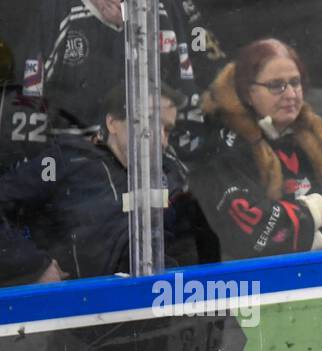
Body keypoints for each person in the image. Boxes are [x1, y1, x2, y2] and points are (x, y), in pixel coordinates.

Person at [196, 38, 322, 260]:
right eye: (276, 86)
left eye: (295, 83)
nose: (291, 95)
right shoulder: (225, 148)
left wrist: (315, 239)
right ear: (247, 92)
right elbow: (255, 237)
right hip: (257, 287)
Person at [0, 83, 197, 279]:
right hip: (83, 303)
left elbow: (192, 244)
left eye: (167, 129)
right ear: (112, 123)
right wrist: (35, 267)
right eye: (149, 122)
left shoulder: (173, 174)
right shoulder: (67, 162)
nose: (161, 139)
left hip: (158, 300)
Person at [4, 0, 225, 165]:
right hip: (76, 175)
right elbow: (26, 104)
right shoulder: (57, 10)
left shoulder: (169, 9)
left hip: (153, 175)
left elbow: (191, 97)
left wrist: (131, 29)